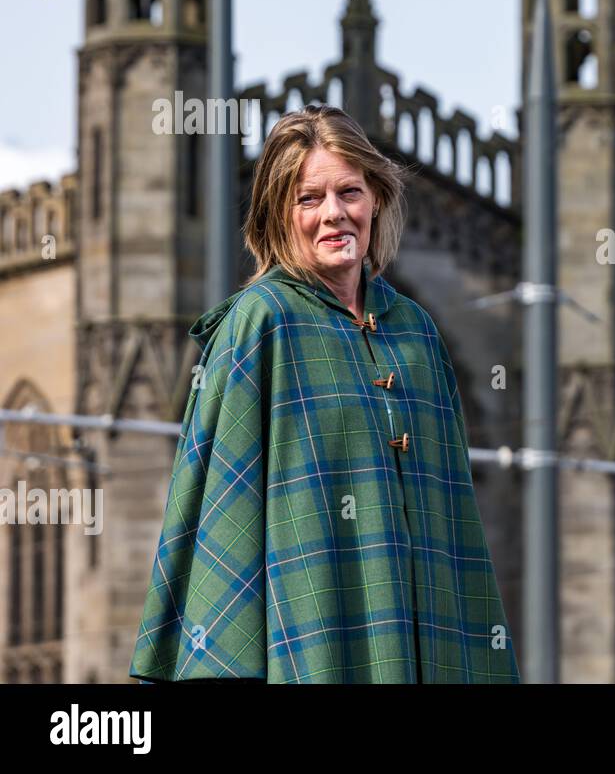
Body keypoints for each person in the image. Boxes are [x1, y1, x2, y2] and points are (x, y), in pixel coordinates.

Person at [130, 105, 520, 683]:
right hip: (311, 648)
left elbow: (457, 524)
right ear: (277, 216)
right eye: (309, 198)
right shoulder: (260, 322)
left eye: (350, 192)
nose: (334, 213)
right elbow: (222, 509)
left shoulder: (416, 332)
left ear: (377, 199)